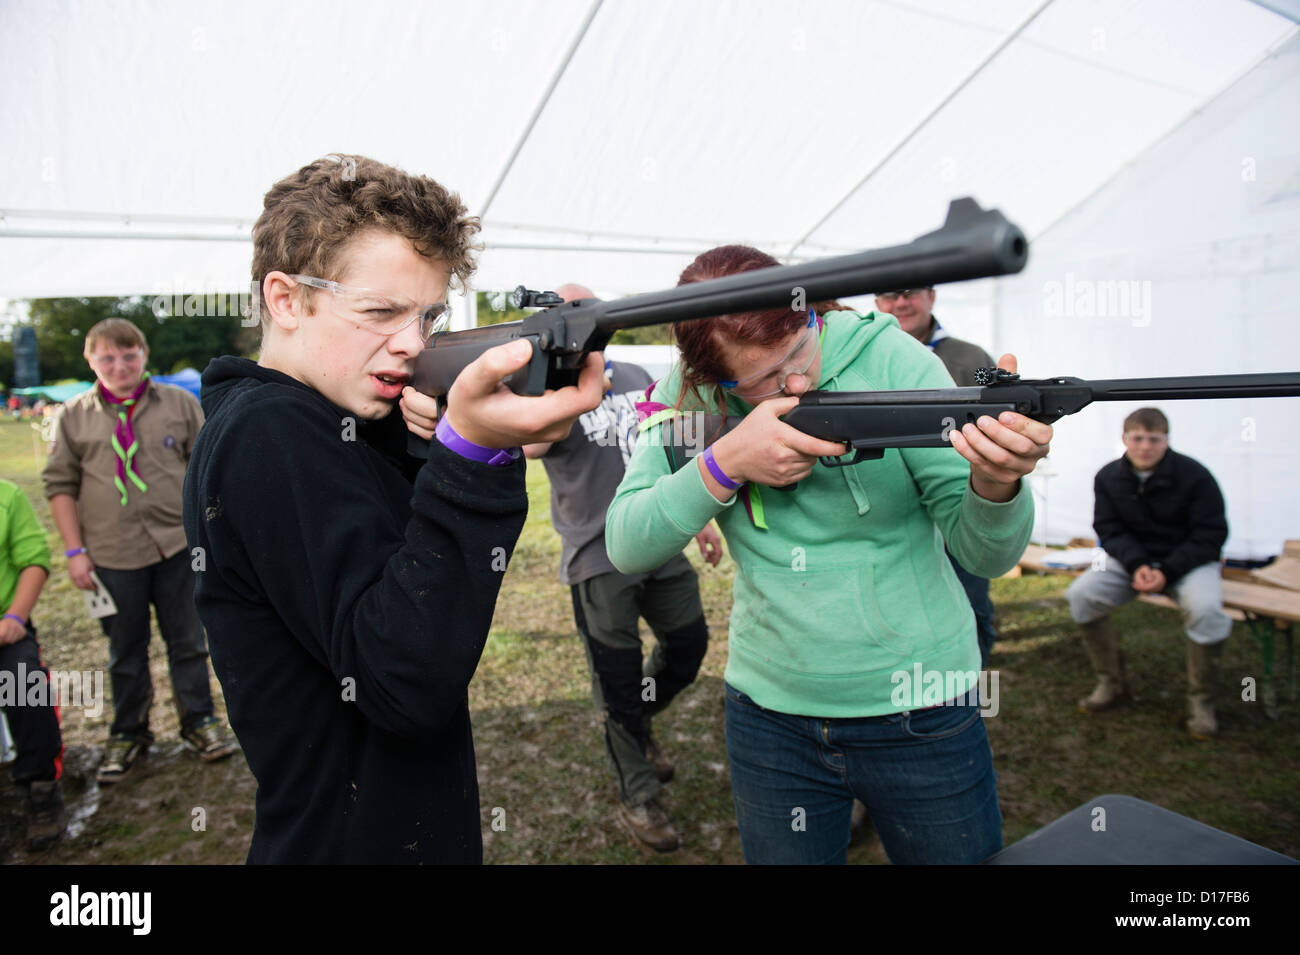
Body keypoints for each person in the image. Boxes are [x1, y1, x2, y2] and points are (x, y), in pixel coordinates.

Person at [183, 154, 604, 863]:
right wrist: (472, 457)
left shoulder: (334, 416)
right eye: (380, 311)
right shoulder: (270, 431)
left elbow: (406, 579)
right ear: (285, 299)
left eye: (429, 315)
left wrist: (450, 443)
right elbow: (401, 680)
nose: (412, 343)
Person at [606, 246, 1051, 865]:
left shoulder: (892, 356)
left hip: (921, 703)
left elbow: (985, 552)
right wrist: (725, 463)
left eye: (800, 349)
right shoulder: (688, 397)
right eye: (763, 379)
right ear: (715, 382)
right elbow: (627, 543)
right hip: (769, 716)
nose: (796, 382)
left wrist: (996, 483)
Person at [522, 283, 722, 852]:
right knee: (616, 682)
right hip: (597, 555)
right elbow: (531, 445)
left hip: (660, 539)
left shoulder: (636, 374)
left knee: (688, 647)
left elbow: (671, 446)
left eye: (591, 313)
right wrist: (559, 389)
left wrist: (698, 515)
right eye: (569, 315)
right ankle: (638, 797)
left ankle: (639, 716)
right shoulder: (546, 388)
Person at [42, 318, 236, 783]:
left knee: (188, 642)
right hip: (111, 554)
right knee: (125, 649)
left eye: (129, 355)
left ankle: (199, 721)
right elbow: (60, 486)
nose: (120, 365)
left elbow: (206, 467)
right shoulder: (72, 415)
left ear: (143, 355)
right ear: (90, 360)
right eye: (107, 357)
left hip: (176, 545)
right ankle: (129, 730)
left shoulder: (178, 404)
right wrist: (74, 553)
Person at [1065, 408, 1231, 738]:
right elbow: (1108, 529)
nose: (1144, 447)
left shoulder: (1195, 476)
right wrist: (1138, 565)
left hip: (1186, 563)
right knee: (1081, 595)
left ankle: (1202, 701)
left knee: (1207, 610)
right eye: (1137, 438)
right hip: (1131, 563)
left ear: (1166, 440)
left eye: (1153, 439)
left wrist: (1166, 571)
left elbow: (1210, 535)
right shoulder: (1108, 476)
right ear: (1124, 439)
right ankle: (1111, 683)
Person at [875, 286, 998, 666]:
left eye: (909, 293)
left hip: (957, 499)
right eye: (888, 296)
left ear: (930, 296)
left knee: (970, 588)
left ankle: (971, 672)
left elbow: (1000, 412)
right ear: (878, 303)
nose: (900, 303)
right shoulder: (868, 357)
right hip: (891, 508)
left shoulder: (972, 358)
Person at [0, 478, 65, 849]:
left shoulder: (8, 496)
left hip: (5, 628)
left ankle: (41, 788)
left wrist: (14, 618)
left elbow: (35, 560)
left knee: (25, 682)